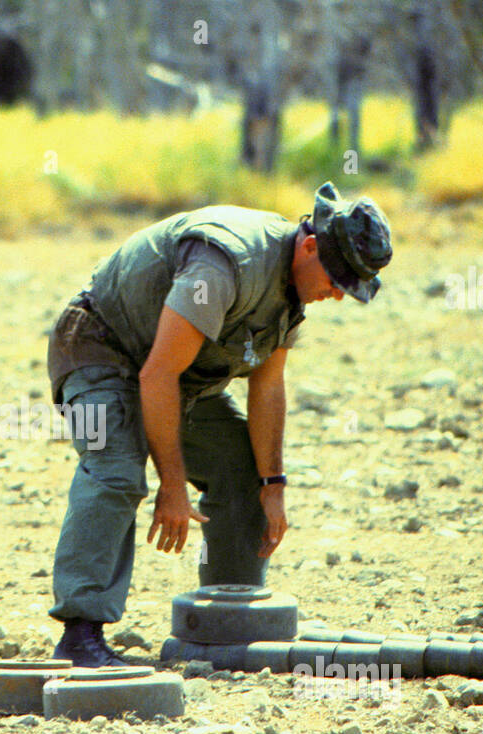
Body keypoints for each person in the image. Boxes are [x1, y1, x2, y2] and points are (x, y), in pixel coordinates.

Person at [44, 182, 392, 666]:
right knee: (118, 472)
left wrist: (274, 485)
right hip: (101, 348)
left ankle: (231, 621)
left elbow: (267, 387)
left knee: (241, 472)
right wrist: (172, 485)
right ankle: (79, 635)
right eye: (336, 280)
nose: (336, 295)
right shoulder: (225, 262)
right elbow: (157, 373)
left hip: (176, 376)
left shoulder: (294, 291)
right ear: (310, 246)